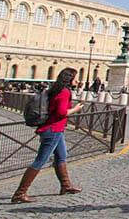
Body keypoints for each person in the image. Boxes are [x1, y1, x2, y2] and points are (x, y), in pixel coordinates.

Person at [12, 67, 85, 203]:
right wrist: (76, 109)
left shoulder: (55, 90)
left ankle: (66, 185)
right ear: (69, 79)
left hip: (53, 128)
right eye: (76, 78)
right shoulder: (64, 92)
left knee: (62, 156)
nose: (77, 81)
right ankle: (20, 193)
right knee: (40, 160)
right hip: (53, 129)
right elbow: (61, 113)